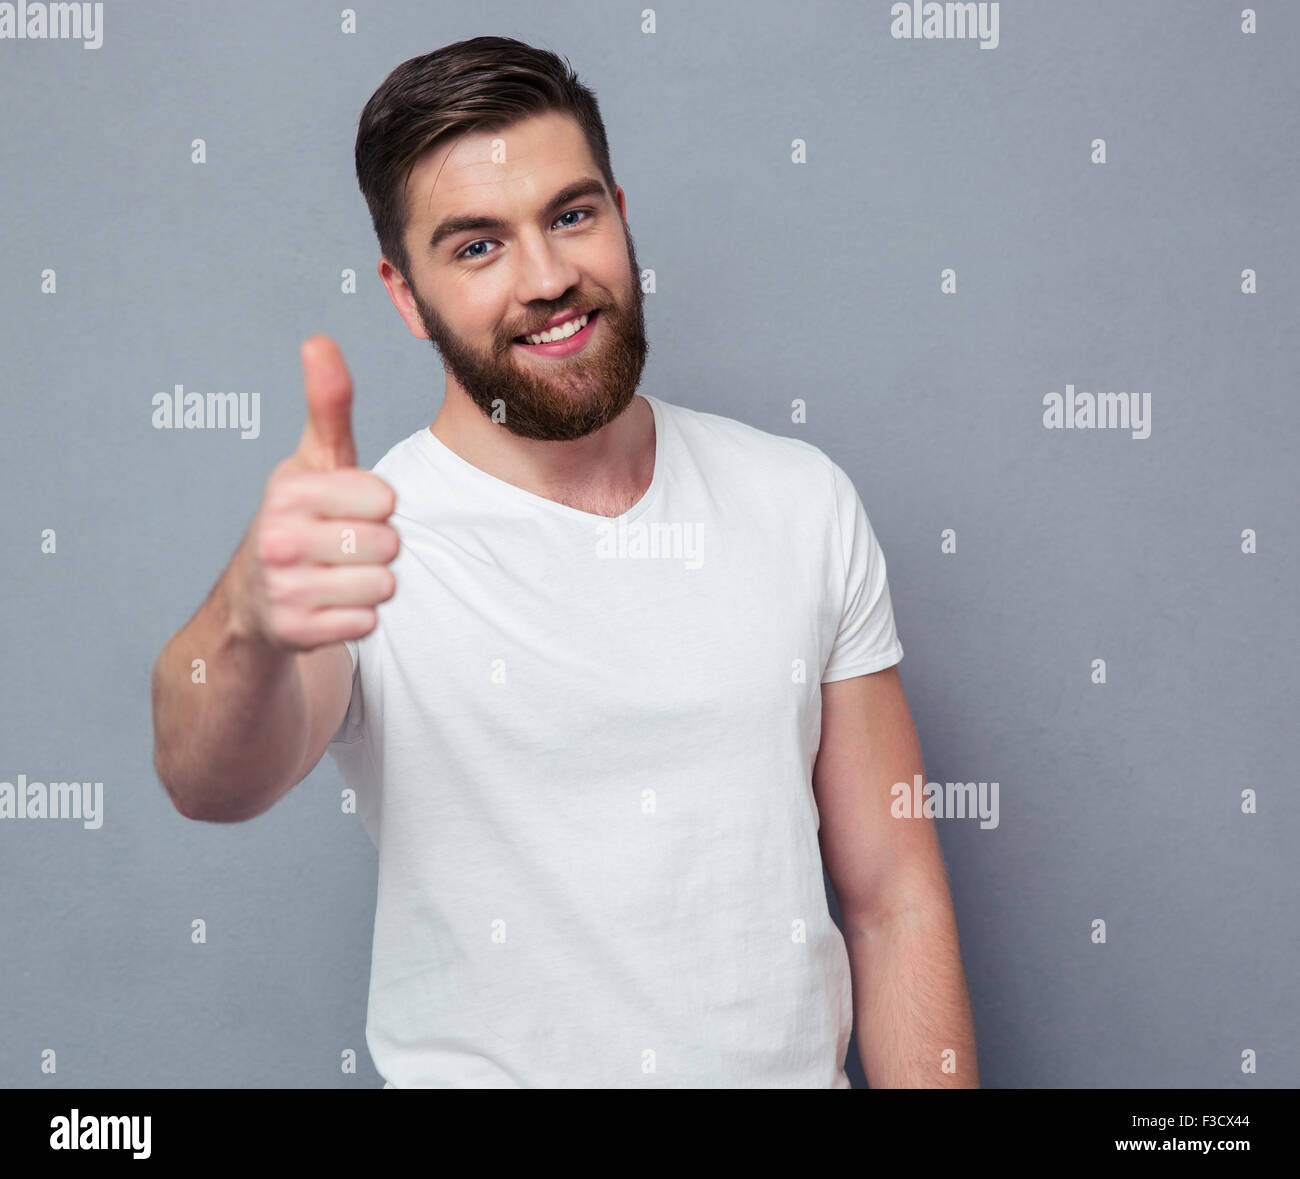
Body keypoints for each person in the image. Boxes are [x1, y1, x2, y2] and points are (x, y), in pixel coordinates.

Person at [151, 35, 979, 1089]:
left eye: (571, 216)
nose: (548, 279)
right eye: (477, 247)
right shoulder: (365, 551)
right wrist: (248, 620)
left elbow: (894, 895)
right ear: (406, 297)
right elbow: (203, 782)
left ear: (621, 214)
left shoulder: (798, 499)